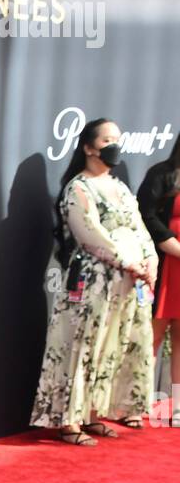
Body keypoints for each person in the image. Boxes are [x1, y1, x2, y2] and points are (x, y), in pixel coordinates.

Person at [30, 118, 158, 445]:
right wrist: (130, 262)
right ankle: (69, 421)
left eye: (117, 139)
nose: (114, 146)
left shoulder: (121, 188)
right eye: (106, 140)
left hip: (127, 285)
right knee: (82, 346)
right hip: (92, 283)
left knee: (109, 349)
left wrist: (149, 261)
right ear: (88, 147)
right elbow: (90, 234)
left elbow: (141, 229)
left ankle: (93, 415)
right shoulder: (78, 189)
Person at [137, 131, 180, 427]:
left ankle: (177, 406)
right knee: (151, 336)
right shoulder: (162, 174)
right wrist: (173, 246)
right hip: (166, 264)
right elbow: (146, 215)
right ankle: (139, 402)